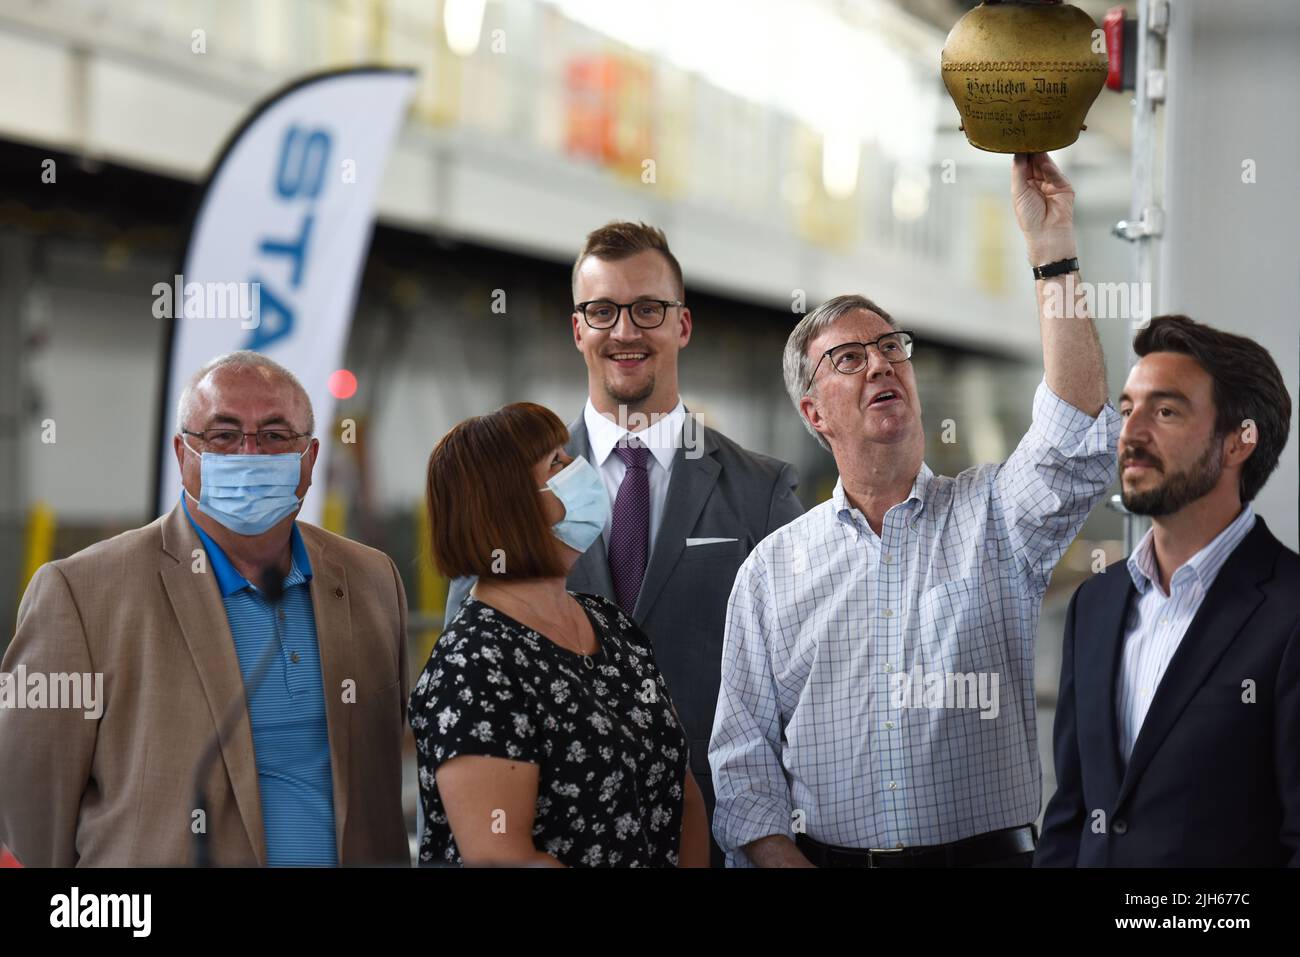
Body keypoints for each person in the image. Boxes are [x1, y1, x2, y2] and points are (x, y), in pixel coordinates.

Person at [710, 153, 1119, 868]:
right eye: (848, 359)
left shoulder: (994, 517)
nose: (879, 365)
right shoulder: (771, 571)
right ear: (814, 411)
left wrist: (1052, 252)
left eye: (891, 348)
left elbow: (1076, 432)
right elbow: (744, 767)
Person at [445, 222, 804, 864]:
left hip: (726, 840)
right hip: (547, 839)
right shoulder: (504, 490)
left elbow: (803, 687)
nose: (625, 331)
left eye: (648, 309)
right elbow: (471, 671)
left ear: (682, 325)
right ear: (577, 328)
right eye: (602, 310)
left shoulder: (763, 491)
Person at [0, 351, 410, 867]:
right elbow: (27, 817)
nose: (251, 453)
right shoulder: (81, 594)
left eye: (276, 435)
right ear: (181, 453)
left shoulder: (372, 580)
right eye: (223, 435)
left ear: (309, 460)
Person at [1037, 316, 1299, 866]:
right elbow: (1071, 815)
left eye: (1165, 411)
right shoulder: (1095, 606)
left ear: (1237, 442)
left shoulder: (1290, 610)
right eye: (1128, 409)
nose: (1129, 435)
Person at [413, 402, 710, 867]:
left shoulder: (612, 627)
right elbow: (501, 858)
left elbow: (683, 797)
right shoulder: (473, 663)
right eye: (556, 462)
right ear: (508, 506)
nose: (580, 470)